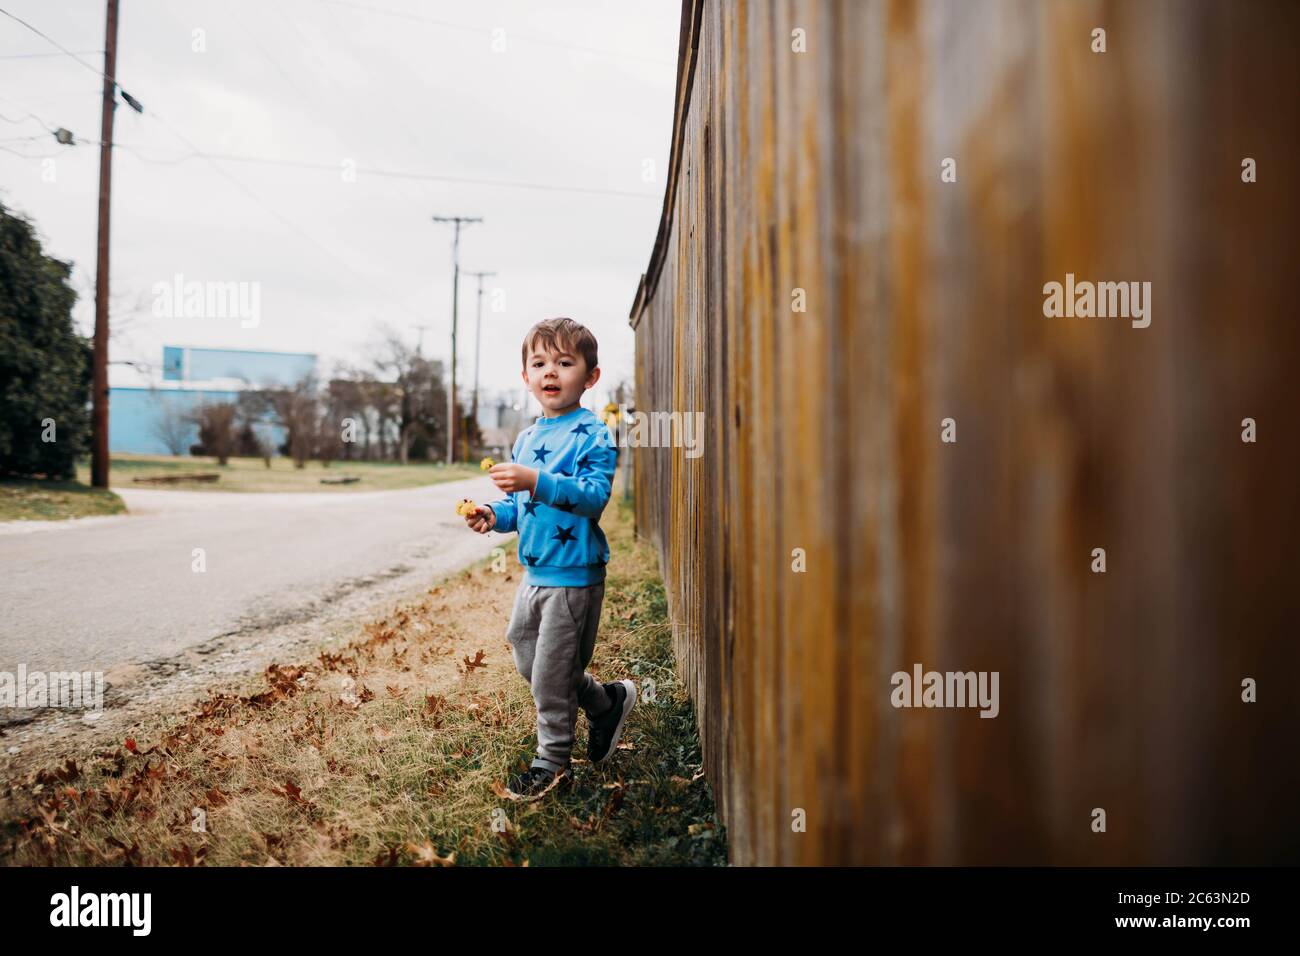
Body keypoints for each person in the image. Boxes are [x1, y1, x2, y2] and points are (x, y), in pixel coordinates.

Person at [464, 317, 636, 799]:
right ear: (525, 377)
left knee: (549, 676)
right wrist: (491, 514)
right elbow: (522, 507)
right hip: (535, 573)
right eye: (539, 363)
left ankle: (553, 762)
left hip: (574, 575)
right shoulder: (525, 438)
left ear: (590, 376)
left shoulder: (593, 434)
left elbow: (592, 497)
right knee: (527, 654)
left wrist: (534, 479)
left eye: (565, 362)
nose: (551, 372)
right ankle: (605, 703)